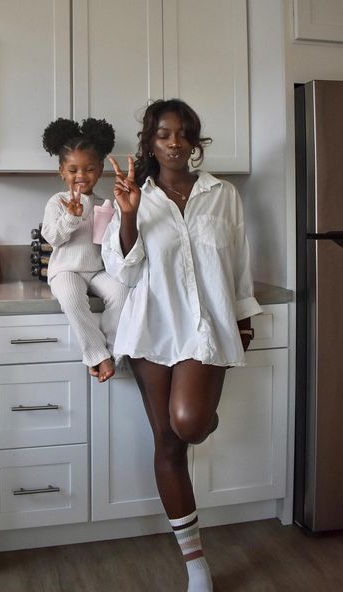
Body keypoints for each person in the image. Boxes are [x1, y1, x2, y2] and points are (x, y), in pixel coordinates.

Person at [102, 99, 262, 591]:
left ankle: (202, 416)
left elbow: (236, 261)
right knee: (167, 445)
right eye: (163, 134)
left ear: (194, 141)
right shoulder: (136, 196)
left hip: (206, 329)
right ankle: (196, 564)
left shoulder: (223, 195)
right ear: (150, 142)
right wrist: (128, 216)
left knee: (190, 423)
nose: (174, 142)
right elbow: (121, 270)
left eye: (183, 133)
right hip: (151, 328)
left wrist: (244, 318)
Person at [41, 117, 128, 382]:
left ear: (100, 169)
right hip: (66, 270)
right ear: (62, 172)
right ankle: (97, 356)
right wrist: (71, 217)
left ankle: (112, 350)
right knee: (70, 297)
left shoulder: (106, 203)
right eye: (73, 170)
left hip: (97, 271)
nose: (81, 176)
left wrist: (121, 215)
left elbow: (110, 246)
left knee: (123, 293)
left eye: (89, 169)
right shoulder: (57, 202)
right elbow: (53, 238)